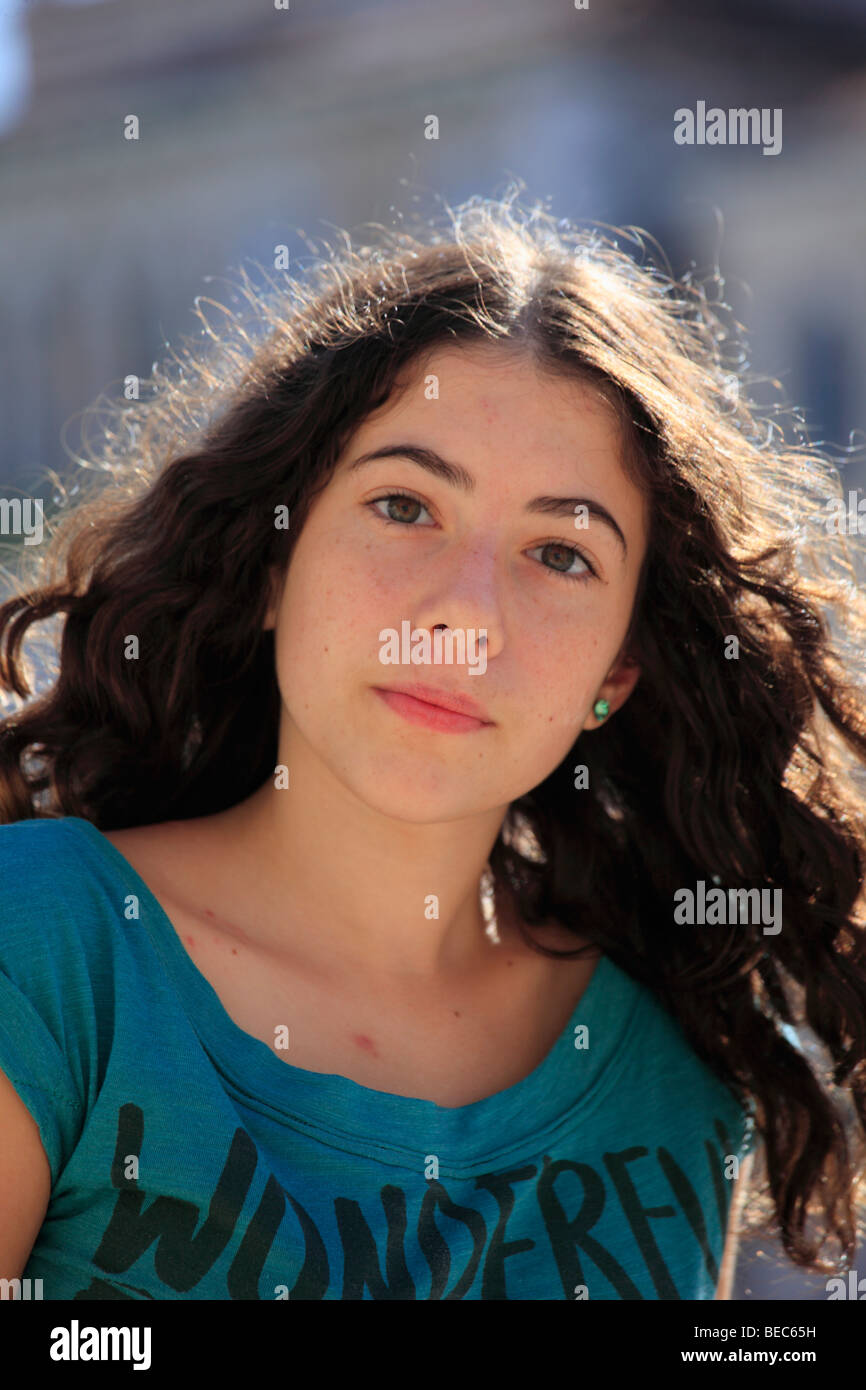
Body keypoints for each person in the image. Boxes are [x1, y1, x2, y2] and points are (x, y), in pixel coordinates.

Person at [0, 192, 863, 1301]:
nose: (462, 617)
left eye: (559, 554)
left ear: (614, 674)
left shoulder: (671, 1078)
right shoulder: (46, 947)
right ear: (272, 563)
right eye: (404, 506)